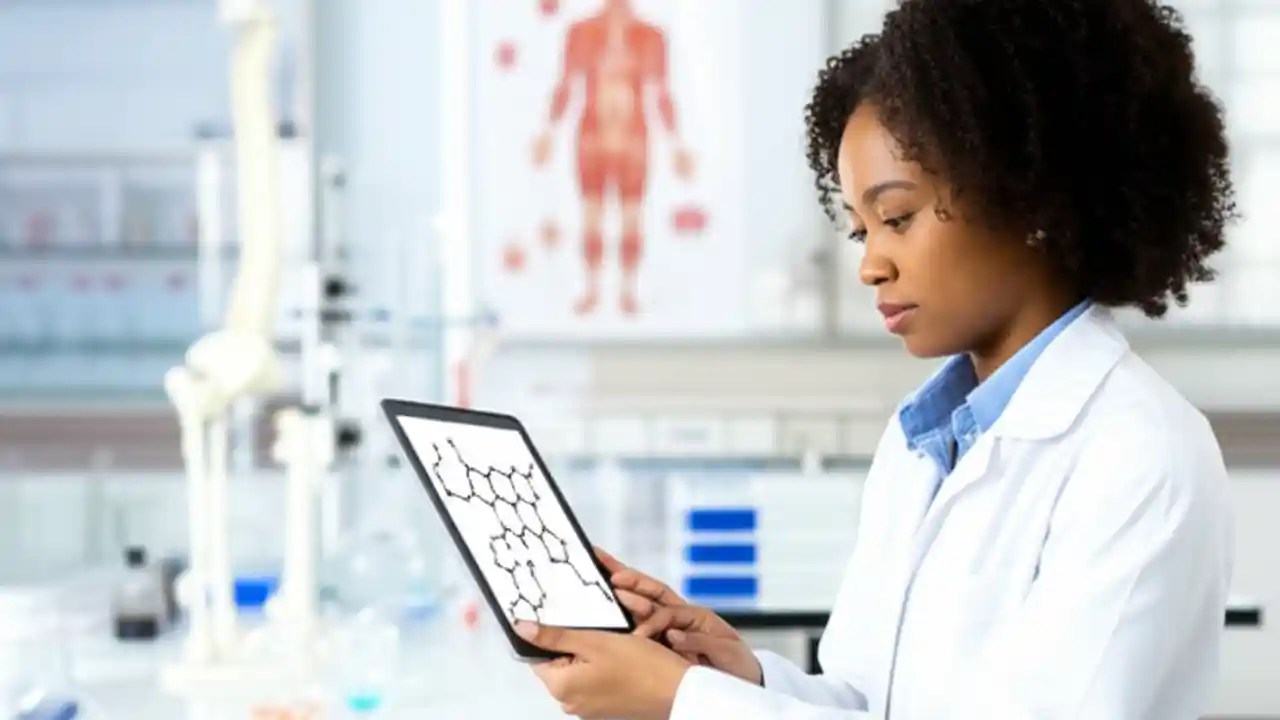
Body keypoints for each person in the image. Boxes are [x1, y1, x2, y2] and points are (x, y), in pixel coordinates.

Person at [517, 0, 1238, 717]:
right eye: (860, 230)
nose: (871, 266)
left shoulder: (1139, 453)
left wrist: (685, 704)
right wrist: (735, 678)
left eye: (897, 218)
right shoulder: (923, 441)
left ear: (1031, 199)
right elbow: (872, 701)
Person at [532, 0, 695, 317]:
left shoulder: (651, 36)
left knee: (631, 214)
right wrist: (548, 133)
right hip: (593, 134)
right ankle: (592, 288)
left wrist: (677, 144)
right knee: (592, 212)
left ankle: (628, 290)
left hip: (633, 136)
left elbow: (660, 92)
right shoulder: (581, 33)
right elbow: (566, 86)